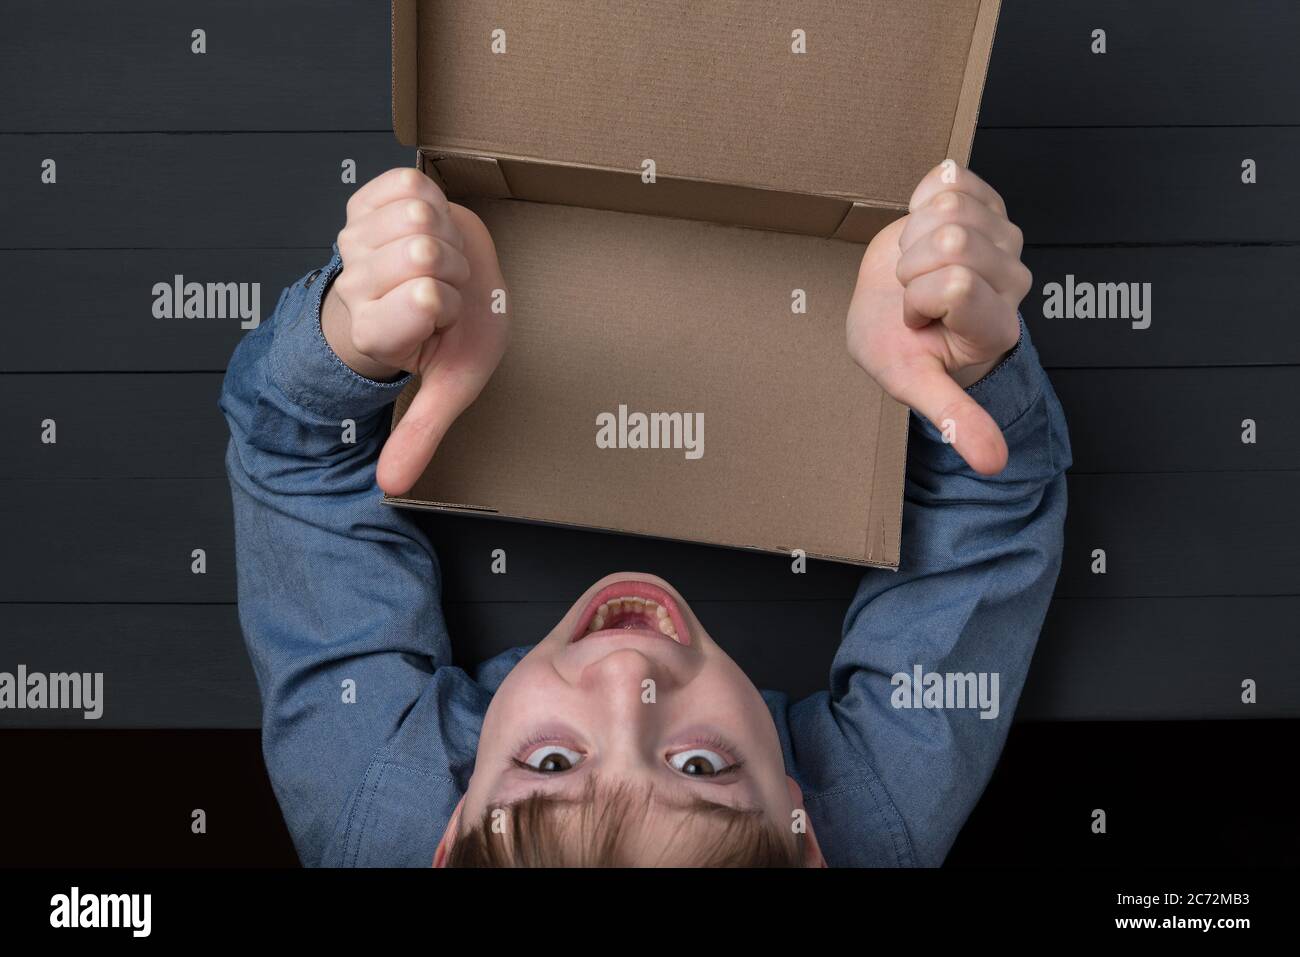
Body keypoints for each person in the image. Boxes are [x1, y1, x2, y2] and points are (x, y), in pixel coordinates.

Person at [219, 162, 1070, 866]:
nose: (630, 679)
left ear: (443, 844)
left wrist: (355, 341)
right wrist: (962, 367)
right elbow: (992, 508)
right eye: (700, 764)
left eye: (551, 761)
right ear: (806, 839)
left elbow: (292, 458)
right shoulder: (871, 832)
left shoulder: (375, 817)